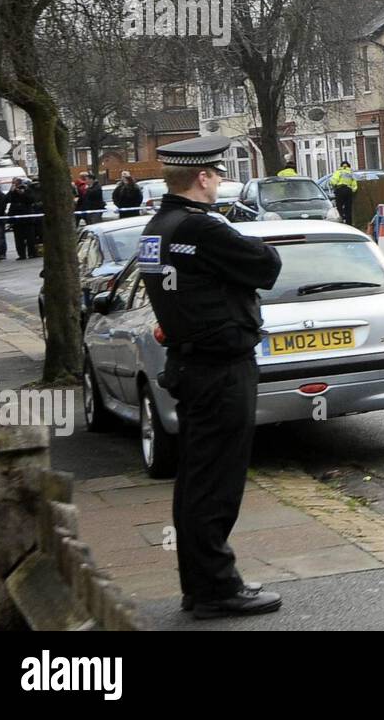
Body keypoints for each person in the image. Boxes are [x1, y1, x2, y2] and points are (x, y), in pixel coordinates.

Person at [138, 136, 283, 619]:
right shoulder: (203, 229)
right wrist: (242, 236)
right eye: (217, 174)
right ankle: (216, 589)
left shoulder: (156, 228)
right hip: (220, 370)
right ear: (202, 177)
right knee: (216, 484)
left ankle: (201, 584)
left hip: (189, 363)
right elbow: (266, 266)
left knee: (196, 480)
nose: (220, 181)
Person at [5, 177, 35, 260]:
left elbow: (32, 200)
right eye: (14, 183)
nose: (16, 185)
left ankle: (31, 253)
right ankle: (21, 254)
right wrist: (11, 191)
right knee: (18, 238)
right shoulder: (12, 192)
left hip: (27, 217)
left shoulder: (27, 190)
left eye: (17, 183)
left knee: (30, 237)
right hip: (16, 219)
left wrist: (23, 194)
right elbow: (6, 200)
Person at [329, 160, 357, 228]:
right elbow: (355, 185)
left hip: (340, 190)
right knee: (348, 209)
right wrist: (352, 190)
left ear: (341, 166)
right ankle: (349, 224)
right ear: (349, 166)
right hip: (348, 191)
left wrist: (334, 185)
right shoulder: (351, 173)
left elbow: (333, 181)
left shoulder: (339, 171)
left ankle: (341, 222)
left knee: (339, 207)